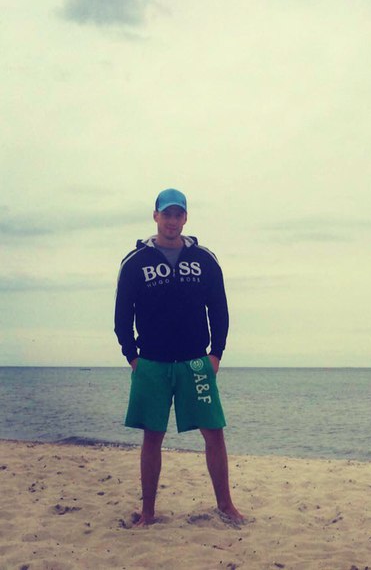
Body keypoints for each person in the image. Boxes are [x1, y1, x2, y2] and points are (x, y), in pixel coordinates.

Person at [114, 188, 243, 526]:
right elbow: (122, 315)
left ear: (185, 218)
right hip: (151, 363)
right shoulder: (134, 262)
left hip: (195, 362)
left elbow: (219, 310)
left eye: (178, 214)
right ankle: (148, 512)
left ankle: (226, 506)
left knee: (214, 432)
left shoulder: (205, 259)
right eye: (166, 214)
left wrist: (216, 353)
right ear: (155, 216)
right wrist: (132, 357)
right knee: (152, 436)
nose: (172, 221)